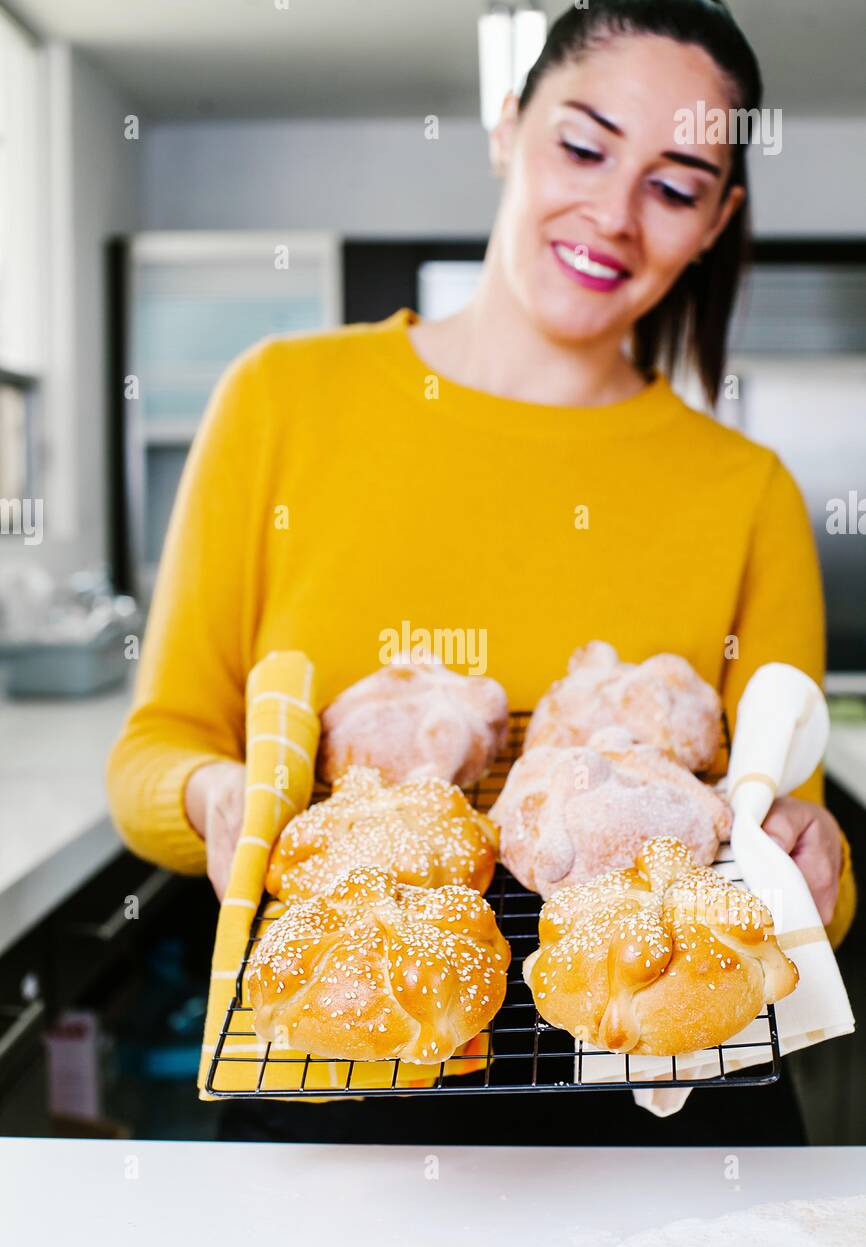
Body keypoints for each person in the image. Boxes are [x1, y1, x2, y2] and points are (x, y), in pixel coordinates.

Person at [107, 0, 855, 1145]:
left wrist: (813, 865)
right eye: (583, 144)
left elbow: (781, 832)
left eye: (672, 183)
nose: (610, 212)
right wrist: (225, 804)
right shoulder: (280, 402)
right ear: (508, 127)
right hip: (337, 1046)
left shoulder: (743, 488)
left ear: (716, 220)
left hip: (654, 1086)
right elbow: (157, 752)